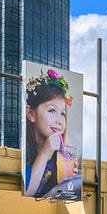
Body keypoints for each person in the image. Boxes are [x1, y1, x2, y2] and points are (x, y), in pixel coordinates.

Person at [24, 68, 80, 199]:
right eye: (52, 111)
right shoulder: (25, 155)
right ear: (31, 114)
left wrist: (69, 180)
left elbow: (64, 195)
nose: (59, 121)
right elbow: (27, 192)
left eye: (62, 113)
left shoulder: (61, 157)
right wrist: (44, 154)